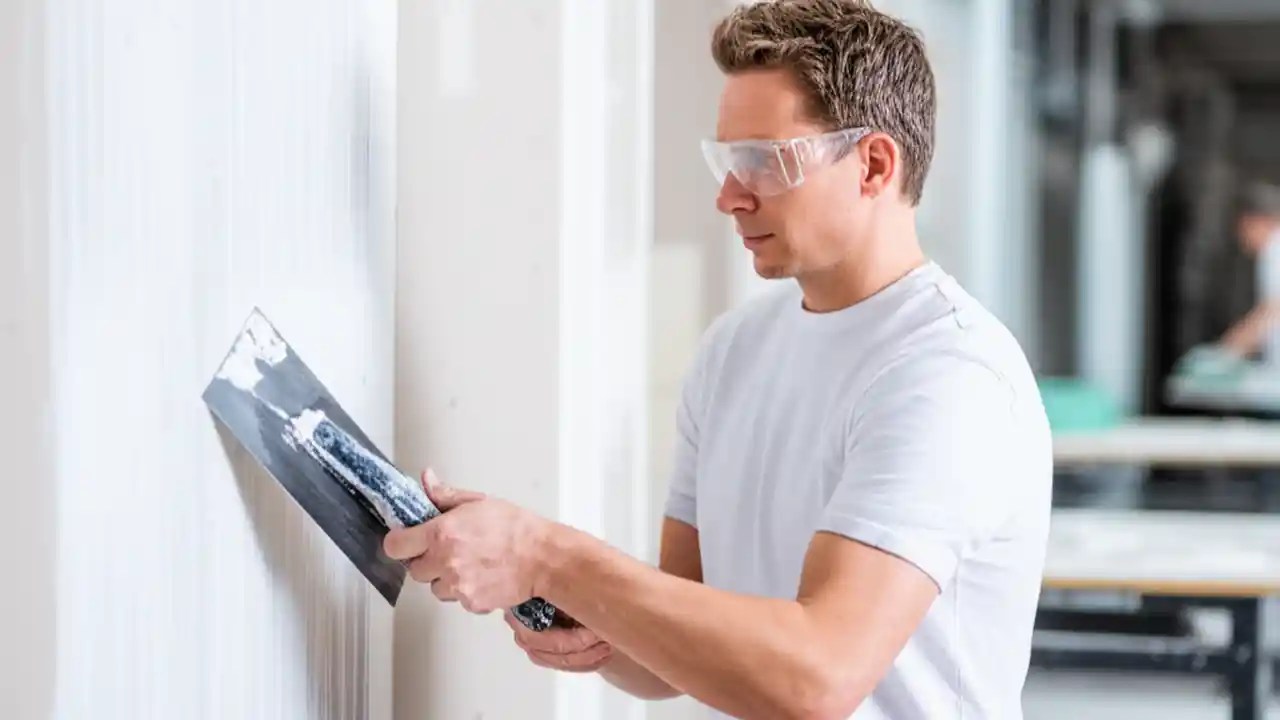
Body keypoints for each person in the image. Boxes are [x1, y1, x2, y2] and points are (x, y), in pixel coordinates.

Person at [384, 1, 1052, 717]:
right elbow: (680, 643)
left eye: (764, 162)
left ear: (874, 166)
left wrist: (549, 556)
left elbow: (815, 678)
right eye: (728, 161)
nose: (729, 196)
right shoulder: (734, 352)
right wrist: (579, 607)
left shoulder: (948, 378)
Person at [1219, 182, 1280, 362]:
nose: (1242, 240)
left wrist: (1230, 347)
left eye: (1241, 230)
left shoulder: (1274, 247)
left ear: (1253, 221)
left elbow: (1275, 309)